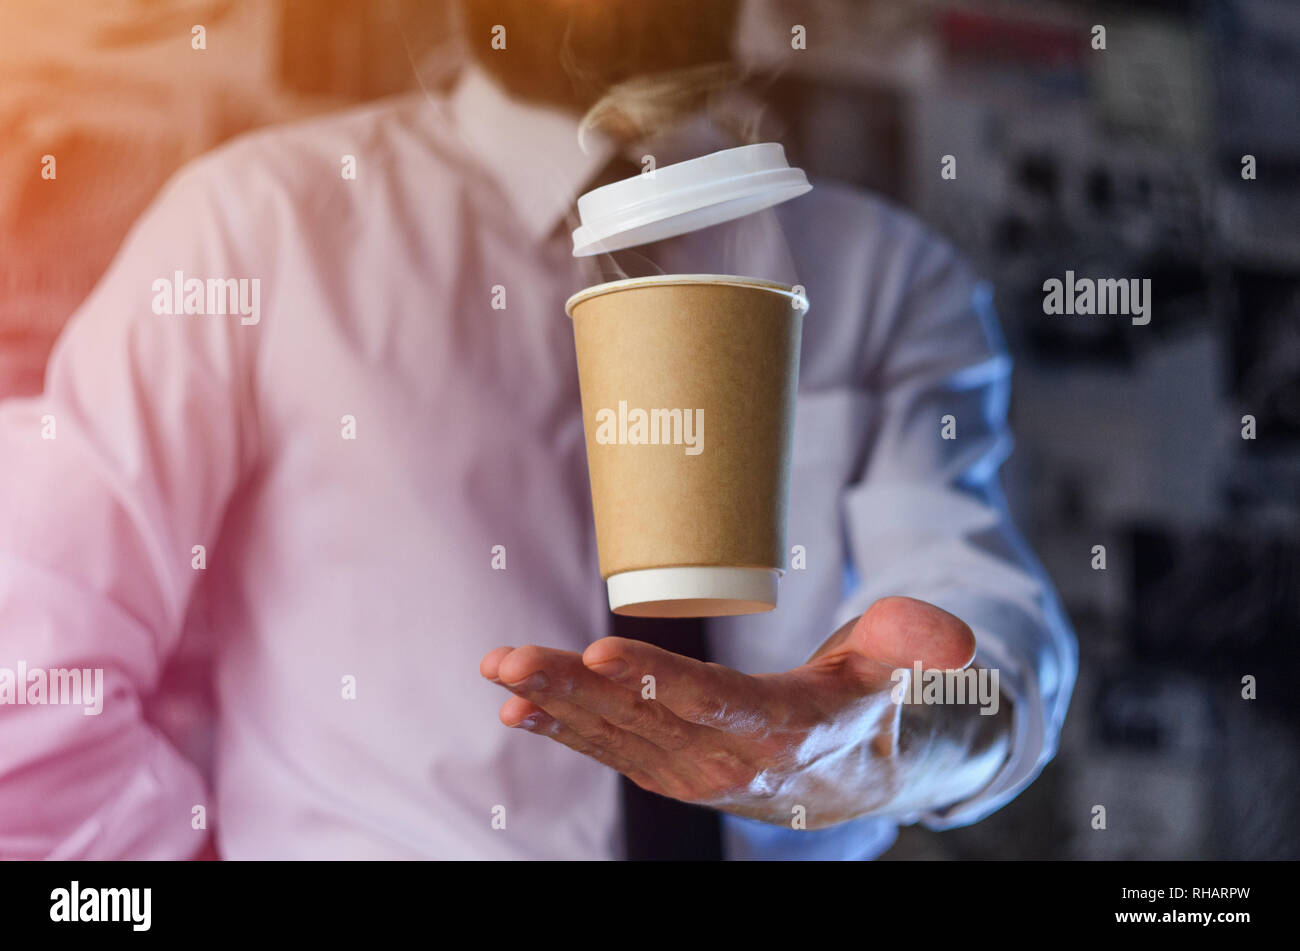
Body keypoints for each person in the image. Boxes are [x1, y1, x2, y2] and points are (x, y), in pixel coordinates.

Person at [0, 0, 1076, 859]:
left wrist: (889, 746)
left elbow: (979, 633)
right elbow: (29, 668)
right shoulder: (257, 227)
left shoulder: (884, 278)